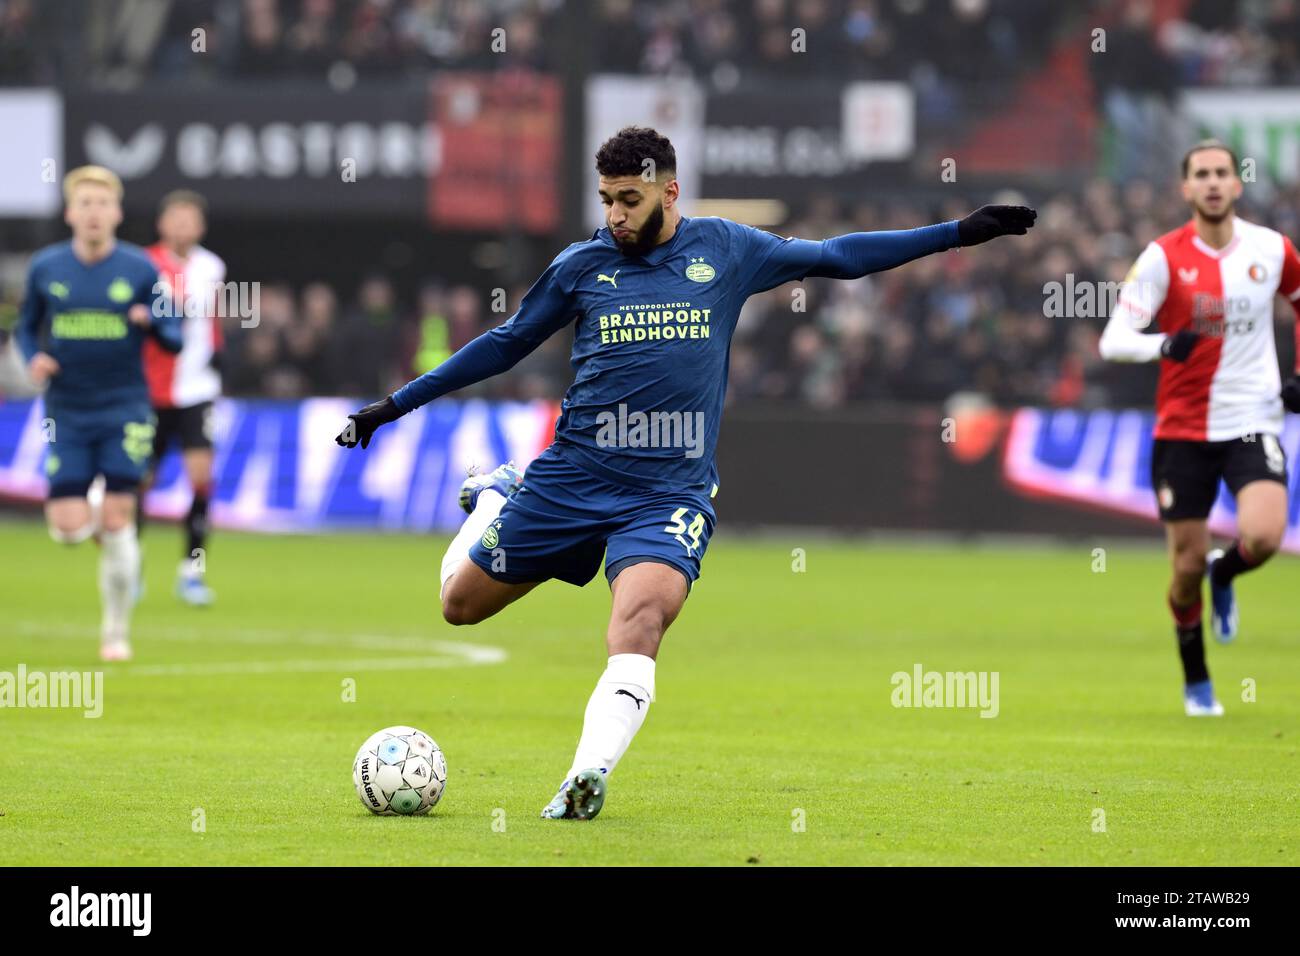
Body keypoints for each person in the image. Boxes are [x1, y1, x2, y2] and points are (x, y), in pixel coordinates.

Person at [336, 126, 1036, 818]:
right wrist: (393, 406)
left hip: (667, 492)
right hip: (573, 476)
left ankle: (585, 778)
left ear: (670, 191)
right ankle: (495, 497)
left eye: (629, 200)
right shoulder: (582, 266)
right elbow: (504, 344)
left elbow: (839, 257)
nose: (615, 215)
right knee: (458, 606)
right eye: (607, 199)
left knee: (639, 622)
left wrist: (956, 233)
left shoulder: (727, 250)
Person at [1100, 139, 1300, 717]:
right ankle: (1196, 678)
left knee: (1263, 537)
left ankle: (1227, 572)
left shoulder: (1272, 249)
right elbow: (1113, 339)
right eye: (1201, 175)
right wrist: (1164, 343)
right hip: (1182, 430)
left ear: (1237, 185)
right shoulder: (1163, 257)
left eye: (1222, 173)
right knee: (1183, 569)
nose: (1213, 183)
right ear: (1185, 189)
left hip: (1251, 419)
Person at [16, 165, 180, 661]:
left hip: (125, 406)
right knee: (68, 531)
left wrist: (149, 321)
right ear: (70, 212)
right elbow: (25, 328)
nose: (93, 212)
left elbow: (173, 337)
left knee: (116, 514)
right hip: (66, 407)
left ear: (117, 213)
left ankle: (115, 631)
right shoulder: (46, 268)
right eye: (84, 203)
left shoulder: (139, 270)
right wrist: (33, 358)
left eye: (102, 204)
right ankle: (121, 538)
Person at [140, 190, 227, 606]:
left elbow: (212, 324)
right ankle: (131, 565)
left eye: (190, 219)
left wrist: (217, 359)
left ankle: (192, 572)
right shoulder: (142, 266)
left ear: (201, 226)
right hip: (150, 391)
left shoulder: (212, 267)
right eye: (176, 218)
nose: (182, 226)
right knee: (140, 482)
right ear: (162, 224)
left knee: (200, 478)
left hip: (197, 389)